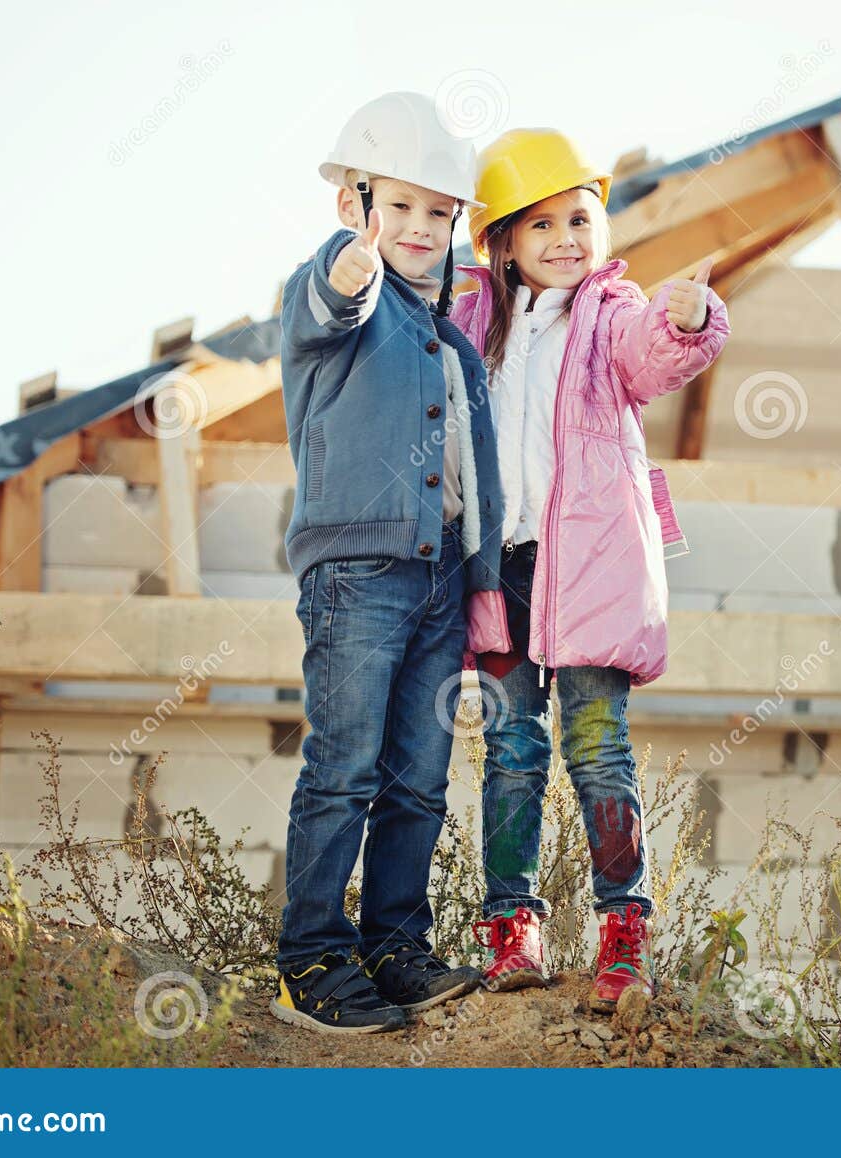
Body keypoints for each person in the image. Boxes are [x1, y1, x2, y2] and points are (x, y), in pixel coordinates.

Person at [453, 128, 729, 1011]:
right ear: (502, 243)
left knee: (597, 746)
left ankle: (623, 931)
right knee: (511, 748)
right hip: (501, 572)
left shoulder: (612, 316)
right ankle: (512, 928)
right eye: (542, 225)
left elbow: (656, 355)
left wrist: (688, 319)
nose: (567, 238)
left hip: (591, 571)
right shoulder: (473, 323)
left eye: (580, 218)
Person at [272, 92, 505, 1033]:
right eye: (398, 205)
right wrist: (350, 267)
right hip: (358, 576)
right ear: (353, 204)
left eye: (438, 212)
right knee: (345, 768)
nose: (419, 227)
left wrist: (481, 577)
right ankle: (312, 959)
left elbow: (473, 475)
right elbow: (334, 299)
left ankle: (395, 945)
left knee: (419, 778)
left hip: (439, 576)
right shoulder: (336, 299)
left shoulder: (451, 341)